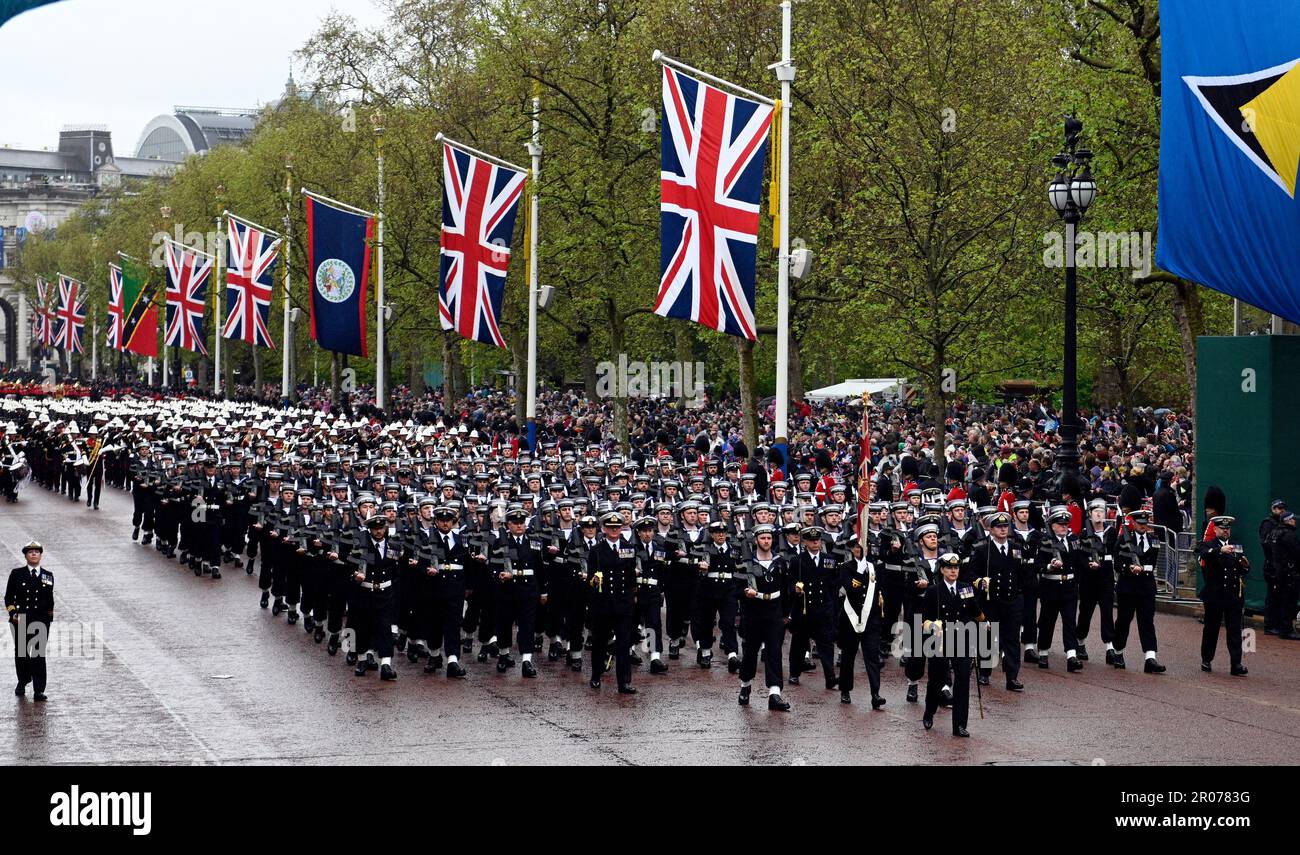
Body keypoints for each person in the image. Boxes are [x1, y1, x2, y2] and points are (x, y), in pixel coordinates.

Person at [921, 553, 978, 737]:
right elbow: (923, 619)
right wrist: (931, 625)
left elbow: (974, 611)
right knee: (937, 681)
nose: (953, 571)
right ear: (942, 570)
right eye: (949, 568)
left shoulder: (965, 588)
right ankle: (929, 711)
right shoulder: (933, 591)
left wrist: (983, 624)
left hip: (961, 639)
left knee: (962, 682)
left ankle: (960, 725)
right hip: (940, 641)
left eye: (956, 568)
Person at [736, 524, 791, 710]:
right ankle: (745, 685)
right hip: (753, 613)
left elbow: (785, 590)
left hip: (774, 612)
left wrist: (786, 614)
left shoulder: (780, 562)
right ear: (756, 540)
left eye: (768, 538)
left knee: (774, 651)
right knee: (750, 653)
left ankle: (774, 693)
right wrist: (745, 592)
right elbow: (735, 587)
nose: (766, 541)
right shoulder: (746, 563)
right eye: (762, 538)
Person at [586, 512, 639, 693]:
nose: (614, 530)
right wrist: (595, 580)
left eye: (617, 527)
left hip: (623, 603)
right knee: (600, 641)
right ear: (604, 529)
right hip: (603, 602)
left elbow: (631, 576)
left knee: (624, 643)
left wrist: (632, 599)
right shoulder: (597, 550)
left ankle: (624, 682)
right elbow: (590, 577)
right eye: (611, 527)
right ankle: (596, 675)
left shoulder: (628, 548)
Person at [837, 534, 885, 708]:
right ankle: (845, 690)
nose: (860, 550)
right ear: (851, 548)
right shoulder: (846, 567)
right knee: (848, 656)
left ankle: (875, 693)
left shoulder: (875, 568)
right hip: (851, 618)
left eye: (863, 546)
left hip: (870, 620)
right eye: (857, 547)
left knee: (872, 657)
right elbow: (850, 588)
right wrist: (859, 571)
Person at [1198, 516, 1250, 676]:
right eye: (1222, 528)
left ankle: (1236, 663)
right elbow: (1204, 555)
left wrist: (1245, 566)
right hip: (1215, 595)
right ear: (1215, 529)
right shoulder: (1208, 545)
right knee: (1211, 629)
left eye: (1227, 528)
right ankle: (1206, 659)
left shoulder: (1236, 547)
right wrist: (1220, 550)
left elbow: (1242, 570)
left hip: (1233, 595)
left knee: (1234, 630)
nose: (1225, 531)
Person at [6, 541, 53, 700]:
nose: (34, 554)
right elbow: (8, 597)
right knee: (21, 653)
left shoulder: (48, 575)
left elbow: (49, 600)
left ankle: (39, 689)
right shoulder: (17, 574)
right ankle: (23, 680)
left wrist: (48, 619)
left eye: (36, 552)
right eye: (30, 552)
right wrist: (13, 614)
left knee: (38, 654)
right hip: (21, 619)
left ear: (40, 555)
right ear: (25, 555)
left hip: (40, 620)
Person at [1270, 512, 1300, 641]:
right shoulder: (1289, 535)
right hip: (1288, 573)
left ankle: (1279, 626)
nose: (1295, 521)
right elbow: (1297, 552)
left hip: (1277, 571)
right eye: (1293, 519)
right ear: (1288, 521)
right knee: (1289, 602)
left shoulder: (1275, 532)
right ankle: (1286, 630)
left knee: (1279, 600)